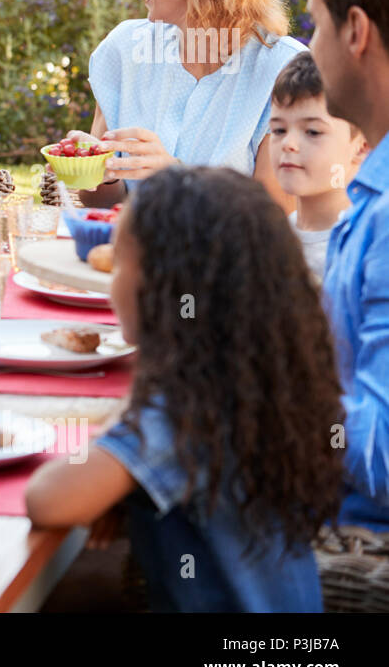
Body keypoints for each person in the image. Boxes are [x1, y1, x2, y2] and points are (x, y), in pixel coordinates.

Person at [25, 166, 346, 611]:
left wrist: (115, 454)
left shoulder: (184, 411)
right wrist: (123, 480)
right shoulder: (255, 381)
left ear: (161, 288)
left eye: (119, 265)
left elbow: (47, 499)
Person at [65, 0, 305, 208]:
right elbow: (102, 206)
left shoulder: (284, 72)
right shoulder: (122, 50)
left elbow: (273, 220)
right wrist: (100, 171)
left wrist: (176, 178)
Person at [307, 0, 389, 529]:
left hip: (350, 534)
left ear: (355, 30)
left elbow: (378, 453)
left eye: (316, 25)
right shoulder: (369, 192)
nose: (311, 47)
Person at [268, 51, 365, 282]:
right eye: (279, 130)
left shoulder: (367, 243)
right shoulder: (271, 239)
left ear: (361, 147)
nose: (289, 144)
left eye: (312, 132)